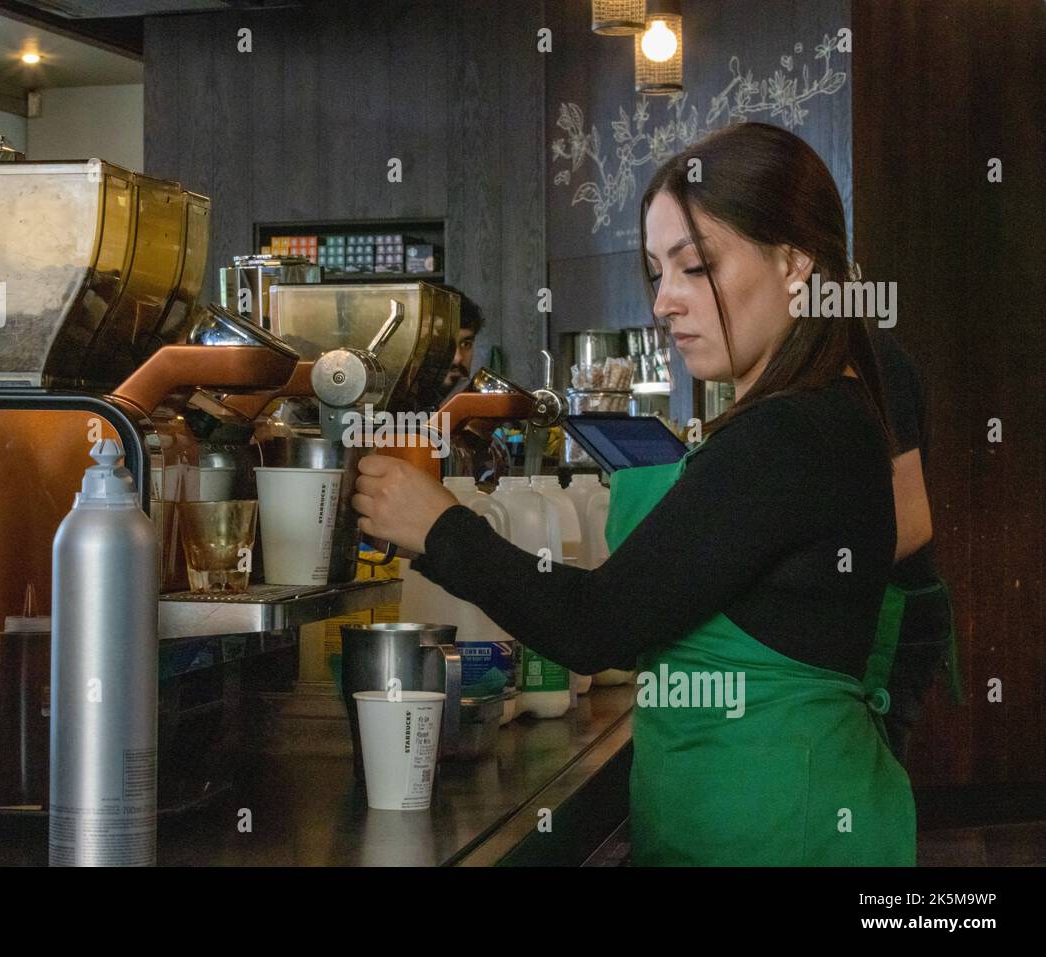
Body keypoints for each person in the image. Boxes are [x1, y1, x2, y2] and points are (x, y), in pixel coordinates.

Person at [352, 122, 916, 866]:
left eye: (695, 266)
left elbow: (596, 624)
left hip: (787, 832)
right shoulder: (820, 413)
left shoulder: (791, 432)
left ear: (793, 265)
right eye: (657, 272)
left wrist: (441, 526)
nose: (664, 303)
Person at [874, 331, 960, 766]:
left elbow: (909, 525)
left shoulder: (870, 359)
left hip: (896, 610)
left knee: (872, 775)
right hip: (886, 605)